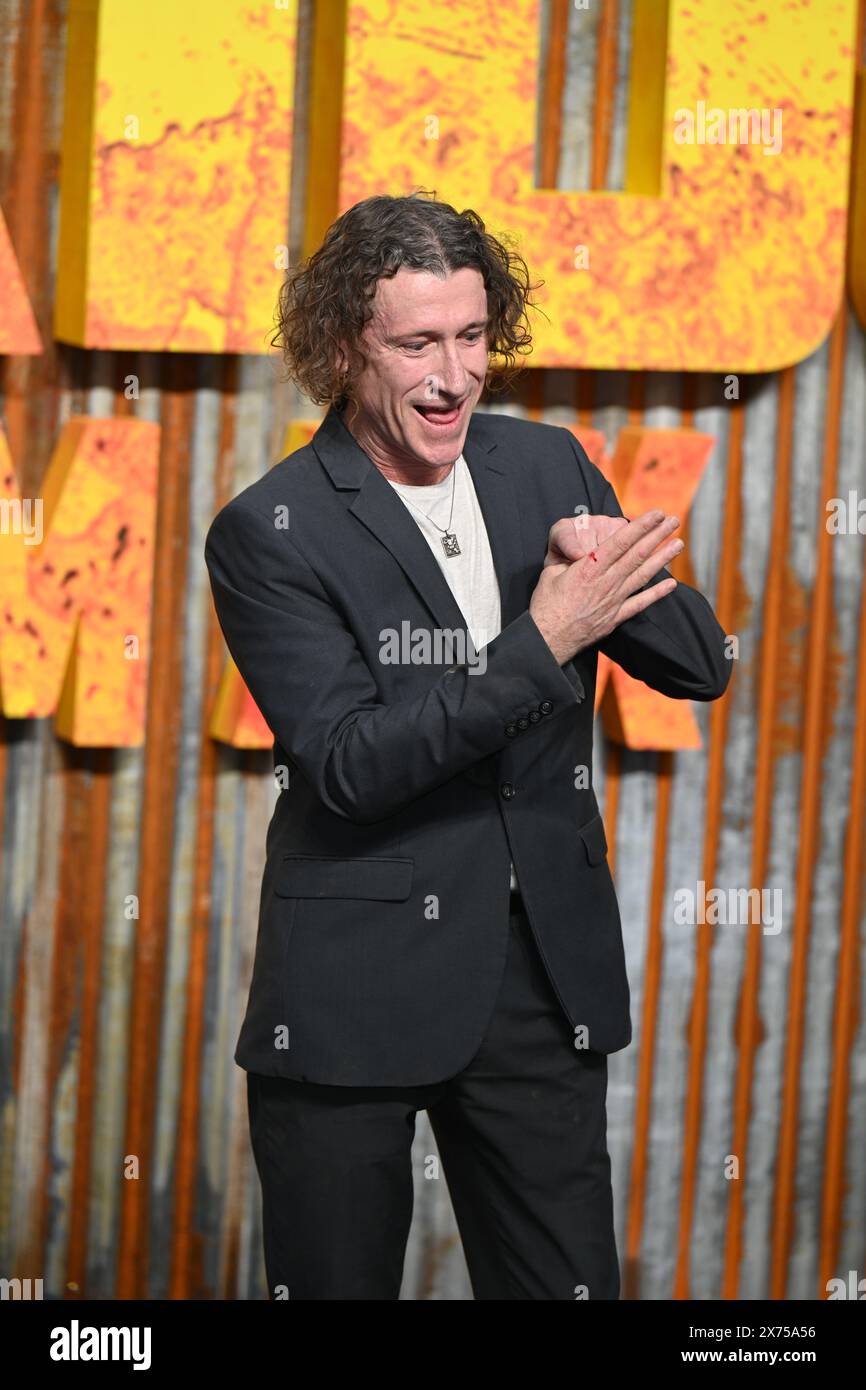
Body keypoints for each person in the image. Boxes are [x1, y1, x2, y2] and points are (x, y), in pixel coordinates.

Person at [204, 190, 731, 1300]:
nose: (453, 374)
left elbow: (699, 667)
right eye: (415, 343)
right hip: (351, 991)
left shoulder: (546, 464)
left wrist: (616, 568)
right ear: (347, 344)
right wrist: (545, 634)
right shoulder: (270, 529)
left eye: (471, 335)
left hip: (539, 977)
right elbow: (350, 762)